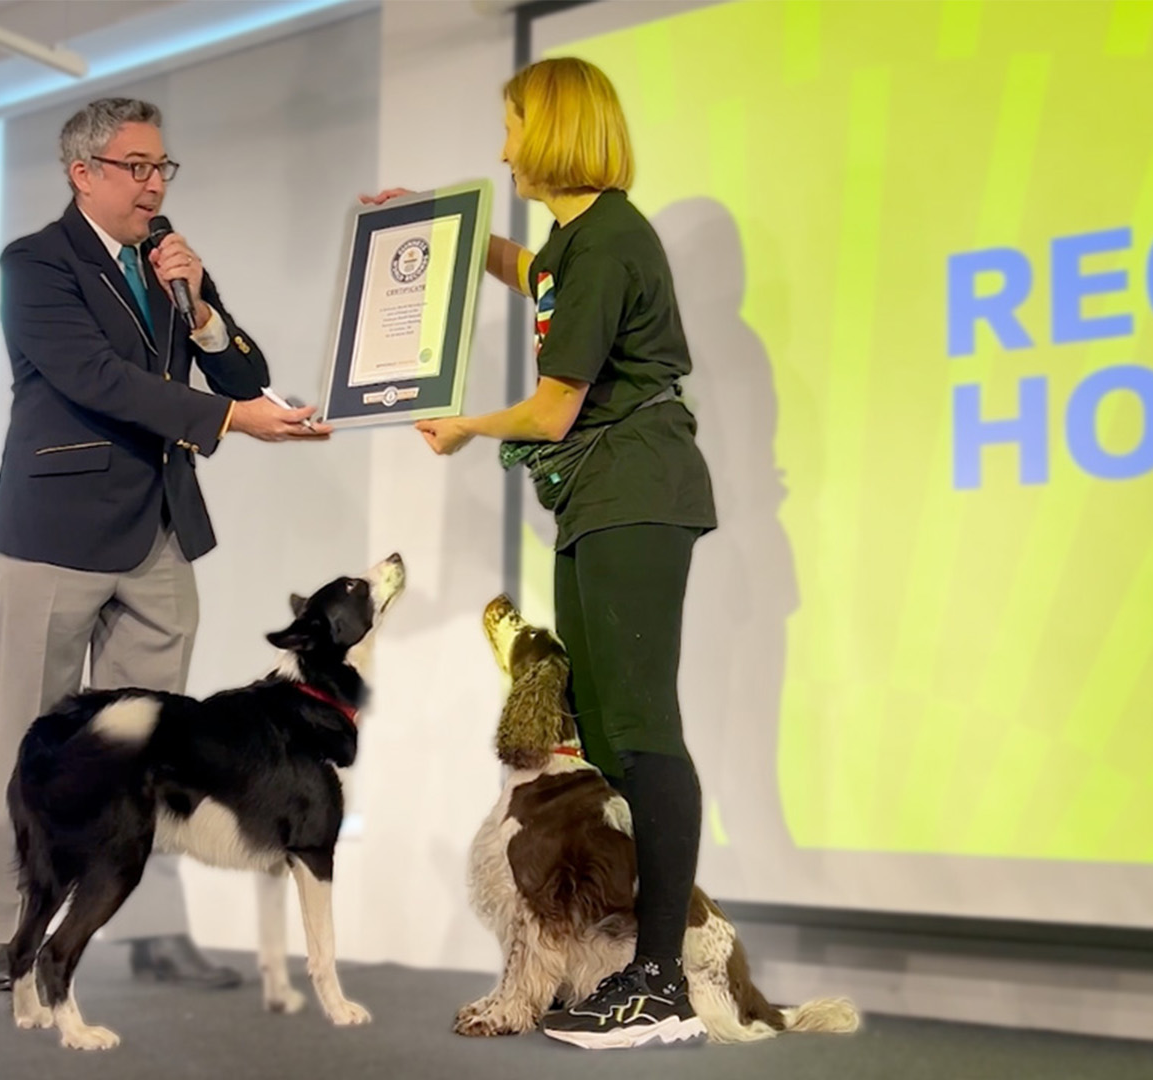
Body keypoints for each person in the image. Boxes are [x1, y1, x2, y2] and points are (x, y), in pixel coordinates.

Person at [366, 56, 717, 1050]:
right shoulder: (579, 241)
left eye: (513, 124)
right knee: (607, 732)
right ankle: (639, 973)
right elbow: (540, 276)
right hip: (601, 500)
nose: (503, 145)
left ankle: (662, 984)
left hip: (634, 496)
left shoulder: (607, 241)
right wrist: (449, 234)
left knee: (643, 734)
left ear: (554, 128)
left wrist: (467, 424)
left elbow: (555, 407)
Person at [0, 97, 328, 993]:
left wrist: (204, 312)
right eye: (136, 165)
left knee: (156, 751)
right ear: (82, 173)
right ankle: (6, 931)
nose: (153, 183)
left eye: (162, 166)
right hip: (56, 530)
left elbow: (245, 374)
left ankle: (149, 929)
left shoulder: (167, 267)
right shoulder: (33, 264)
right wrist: (231, 419)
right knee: (33, 738)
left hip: (161, 529)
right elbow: (97, 379)